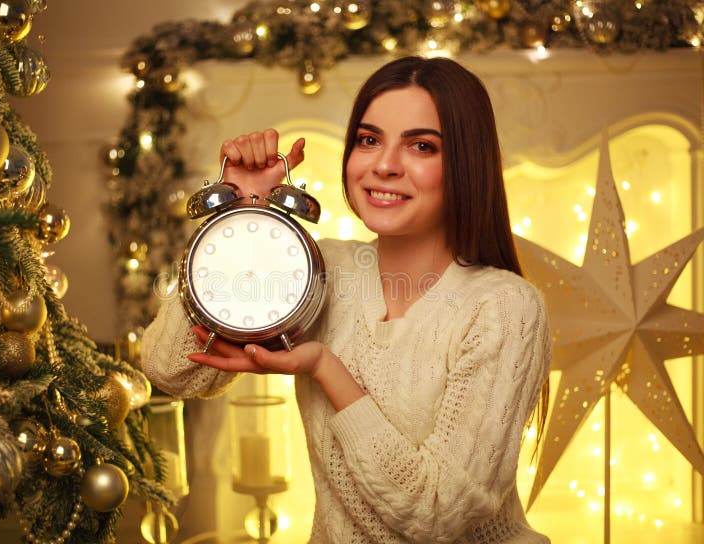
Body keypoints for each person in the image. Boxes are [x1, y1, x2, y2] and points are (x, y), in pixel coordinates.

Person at [142, 56, 552, 543]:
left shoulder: (504, 307)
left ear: (466, 162)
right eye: (369, 139)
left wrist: (325, 368)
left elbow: (435, 514)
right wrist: (244, 209)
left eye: (421, 146)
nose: (384, 165)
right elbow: (171, 368)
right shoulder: (315, 266)